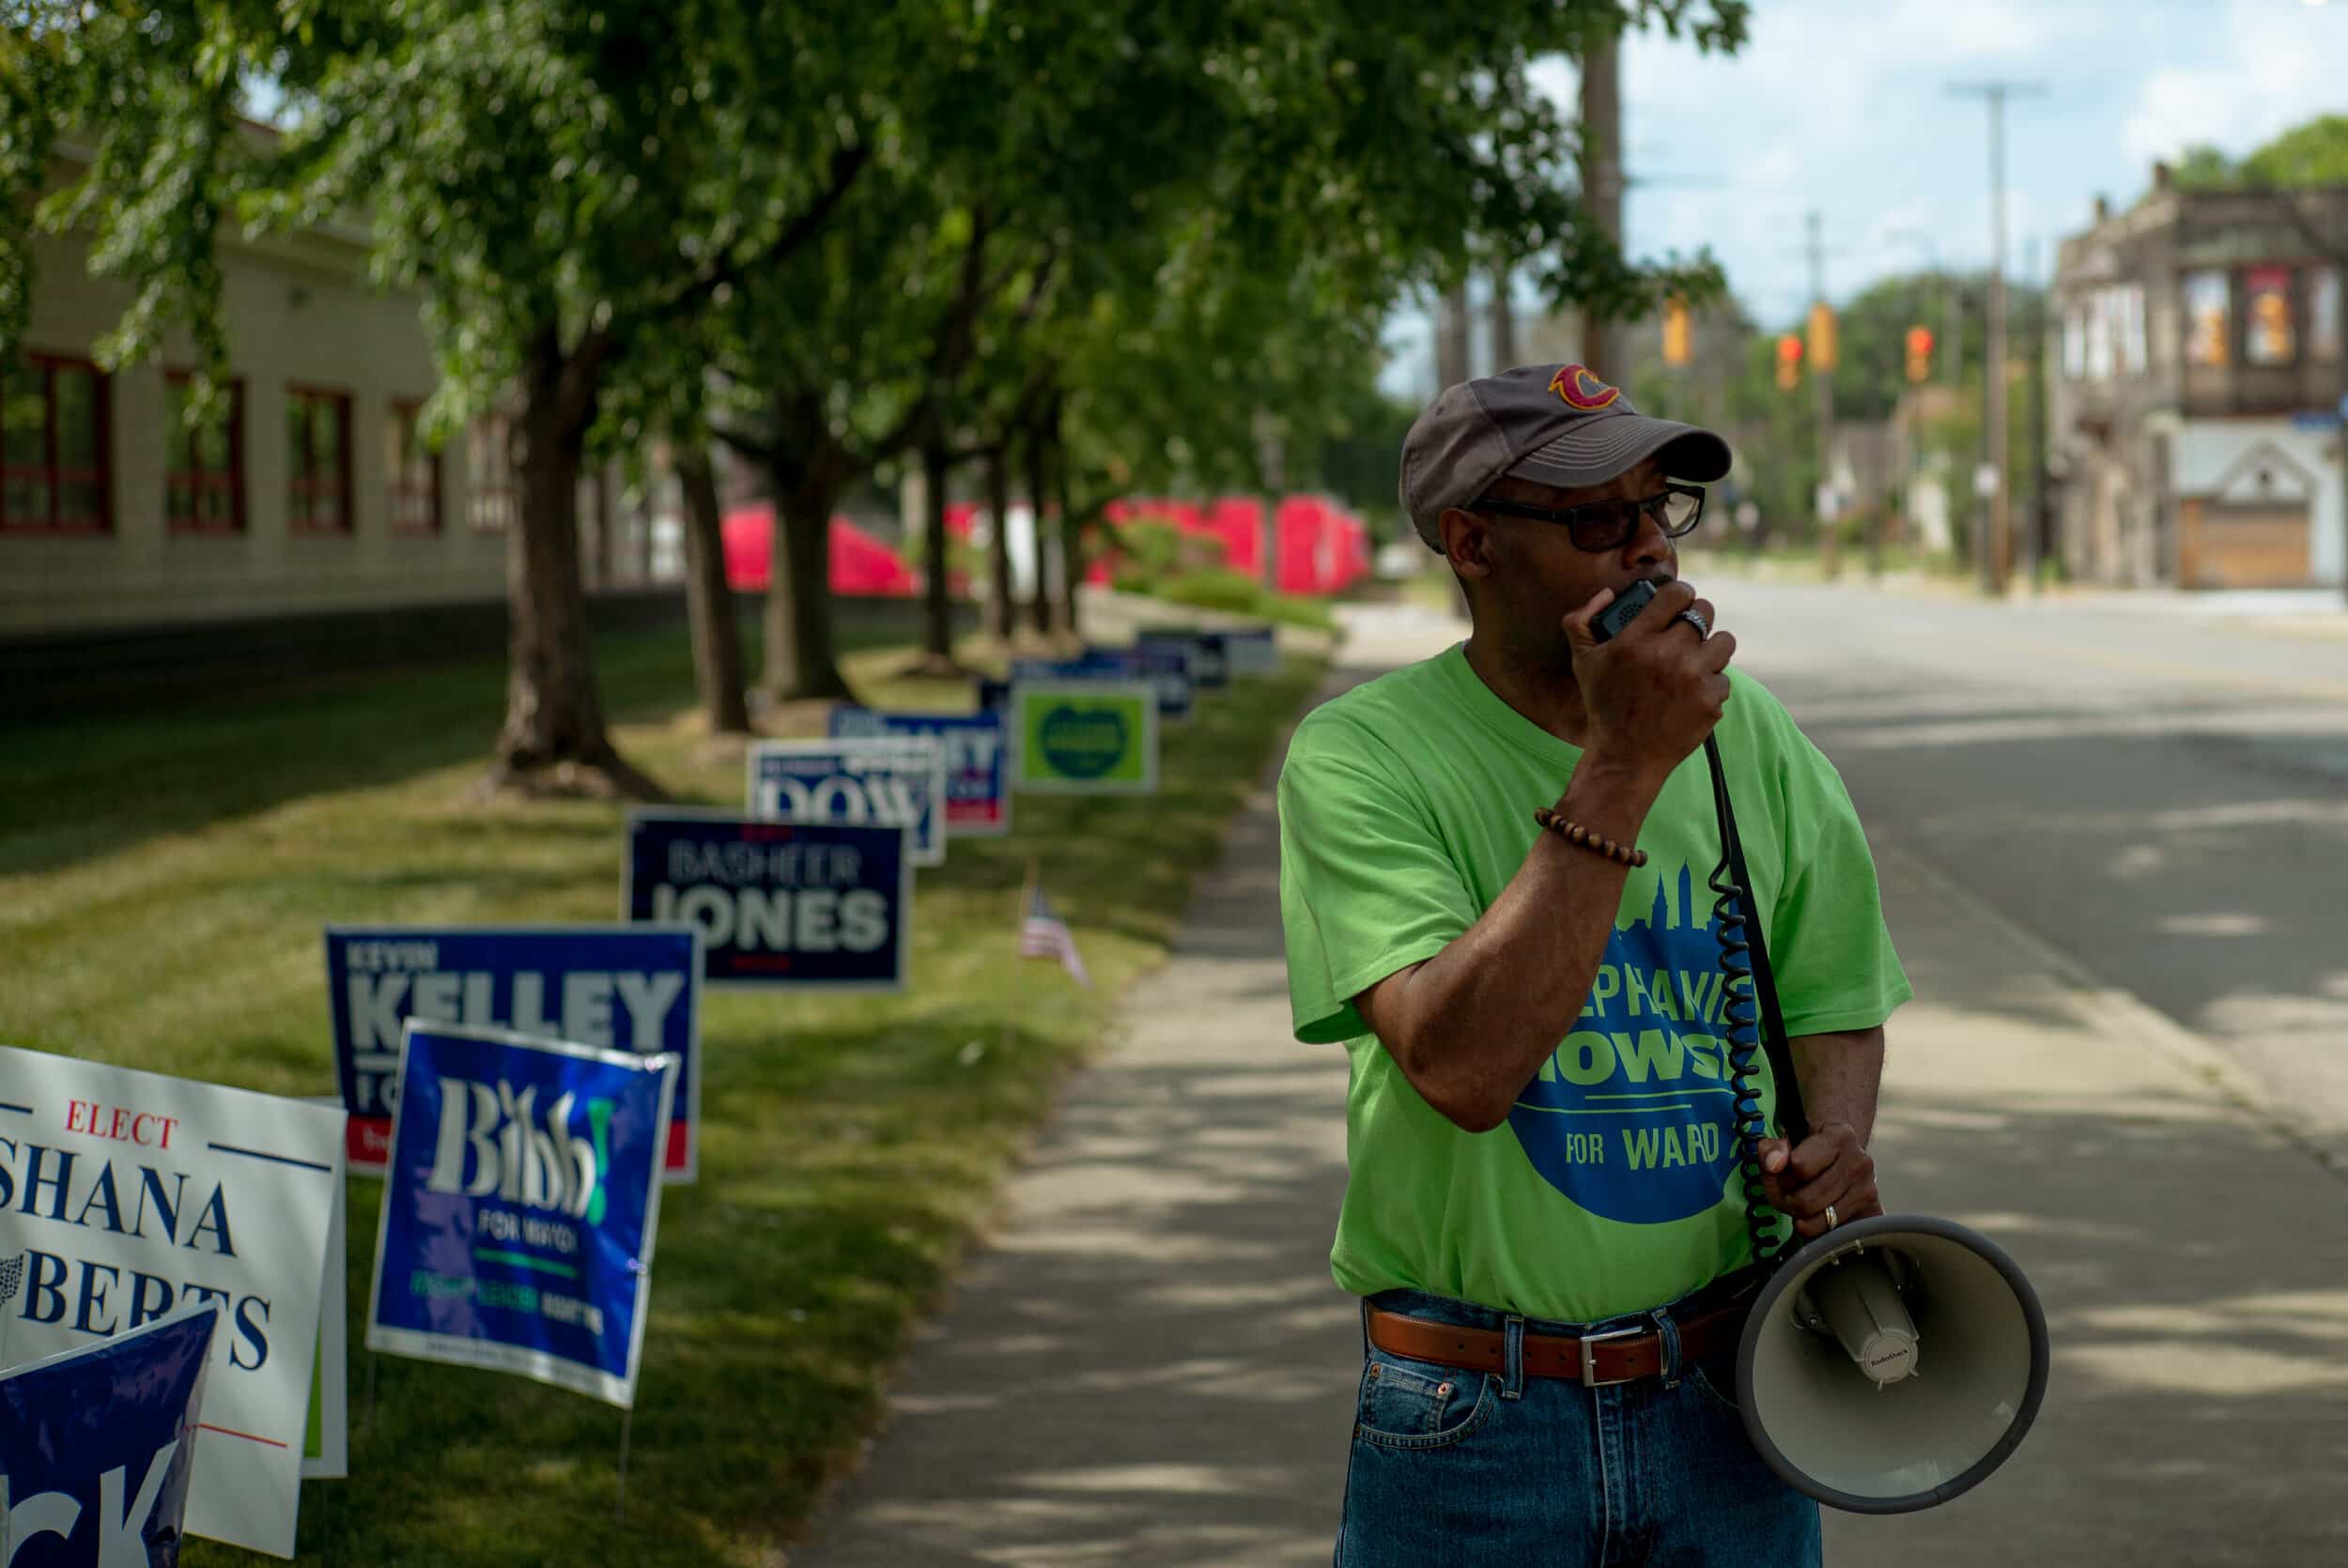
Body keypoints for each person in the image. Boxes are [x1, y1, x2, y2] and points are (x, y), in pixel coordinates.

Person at [1276, 362, 1912, 1567]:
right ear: (1472, 541)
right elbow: (1461, 1066)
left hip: (1730, 1392)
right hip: (1474, 1419)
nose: (1649, 554)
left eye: (1657, 508)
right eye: (1595, 521)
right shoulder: (1360, 756)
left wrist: (1831, 1136)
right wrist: (1623, 760)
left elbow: (1832, 986)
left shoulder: (1751, 734)